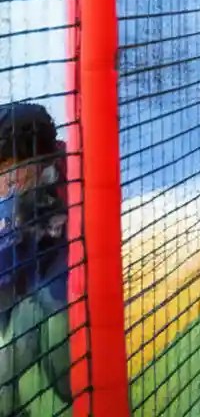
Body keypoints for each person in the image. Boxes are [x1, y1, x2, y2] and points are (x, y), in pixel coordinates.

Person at [0, 102, 70, 416]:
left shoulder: (64, 187)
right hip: (20, 295)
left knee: (66, 376)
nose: (3, 178)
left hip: (55, 298)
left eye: (7, 167)